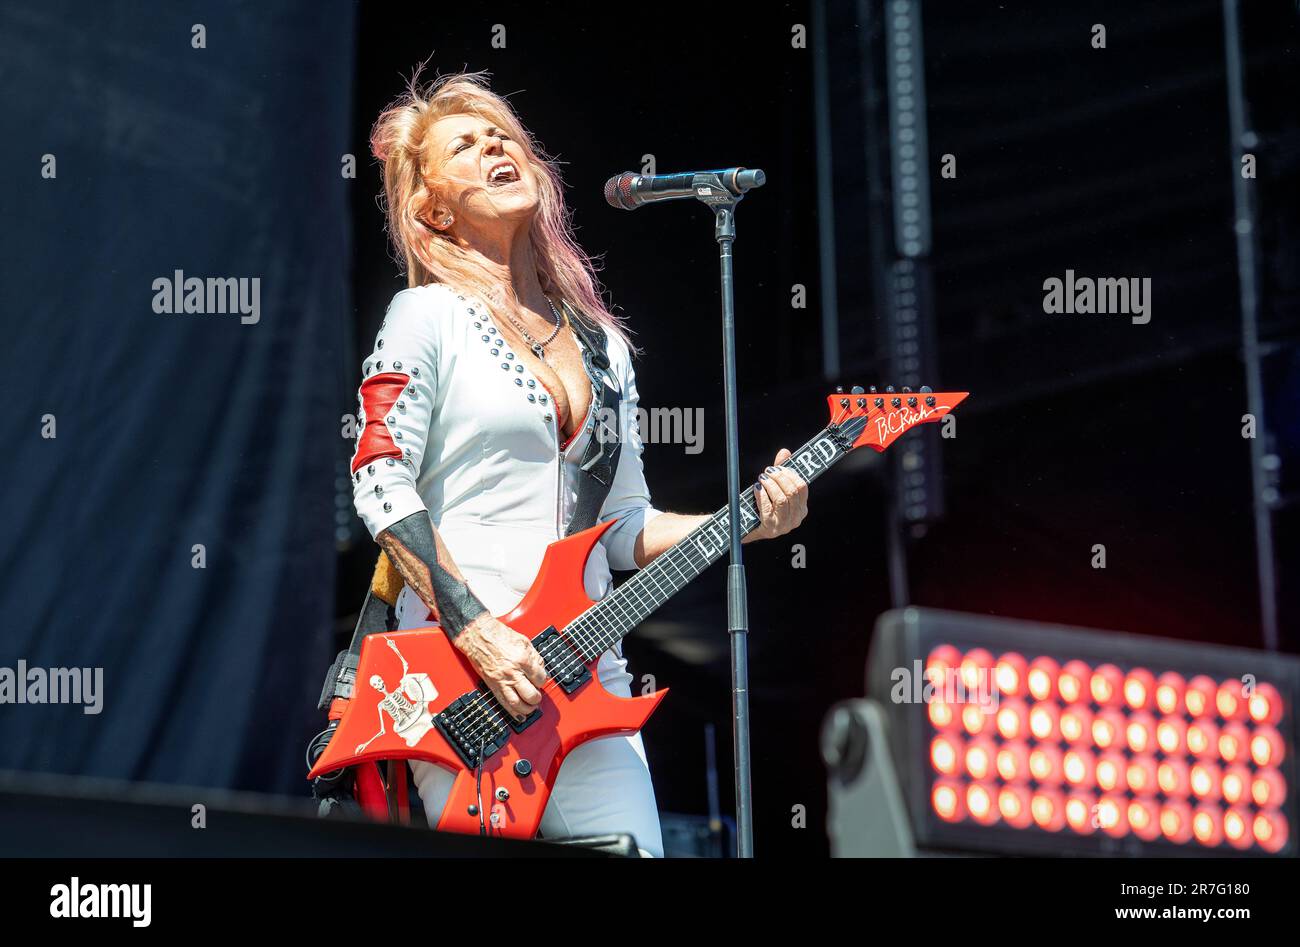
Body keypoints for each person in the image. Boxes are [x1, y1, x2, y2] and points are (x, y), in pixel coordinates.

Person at [351, 68, 808, 857]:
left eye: (503, 135)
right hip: (466, 681)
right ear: (433, 207)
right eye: (467, 145)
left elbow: (624, 525)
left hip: (588, 683)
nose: (496, 145)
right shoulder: (423, 317)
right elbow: (379, 479)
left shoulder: (602, 344)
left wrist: (747, 523)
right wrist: (479, 631)